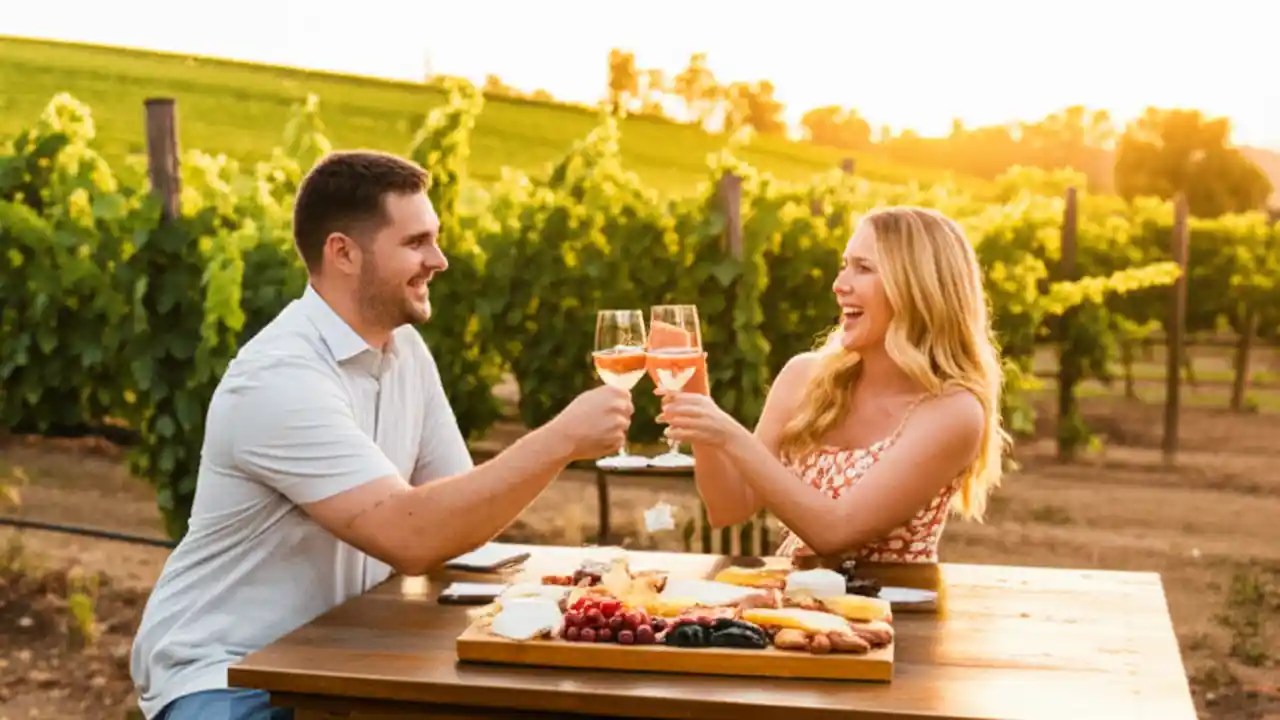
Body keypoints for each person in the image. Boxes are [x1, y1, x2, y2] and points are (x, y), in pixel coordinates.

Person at [129, 150, 634, 720]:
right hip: (230, 677)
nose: (439, 260)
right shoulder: (279, 378)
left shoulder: (405, 352)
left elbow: (456, 510)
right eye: (416, 242)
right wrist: (561, 439)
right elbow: (412, 536)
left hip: (336, 663)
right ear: (342, 252)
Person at [657, 206, 1009, 563]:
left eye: (864, 268)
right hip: (801, 605)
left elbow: (836, 531)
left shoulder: (951, 410)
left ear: (917, 289)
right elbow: (729, 507)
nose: (839, 285)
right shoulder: (804, 377)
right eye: (845, 265)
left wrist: (730, 435)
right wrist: (695, 401)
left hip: (894, 612)